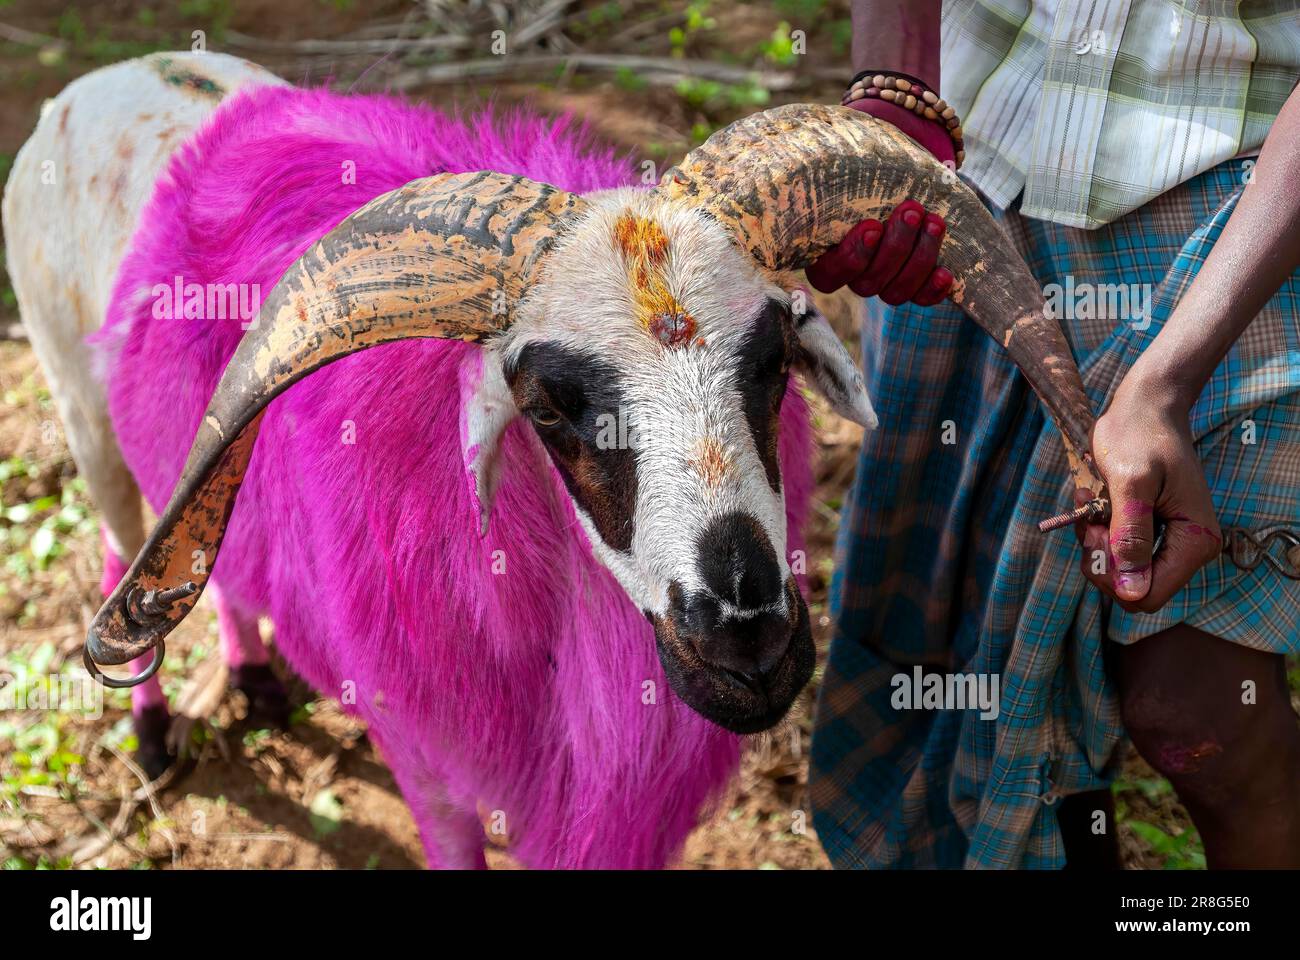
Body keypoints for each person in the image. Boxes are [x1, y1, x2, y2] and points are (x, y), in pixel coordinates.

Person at [805, 0, 1300, 868]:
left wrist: (1165, 387)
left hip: (1243, 215)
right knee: (940, 639)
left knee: (1195, 714)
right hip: (967, 171)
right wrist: (894, 99)